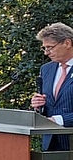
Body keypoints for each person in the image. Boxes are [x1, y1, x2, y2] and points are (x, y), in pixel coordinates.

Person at [31, 23, 73, 152]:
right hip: (51, 145)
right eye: (44, 48)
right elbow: (49, 106)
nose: (46, 53)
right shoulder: (46, 69)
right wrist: (38, 106)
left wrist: (57, 120)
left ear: (67, 43)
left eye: (50, 47)